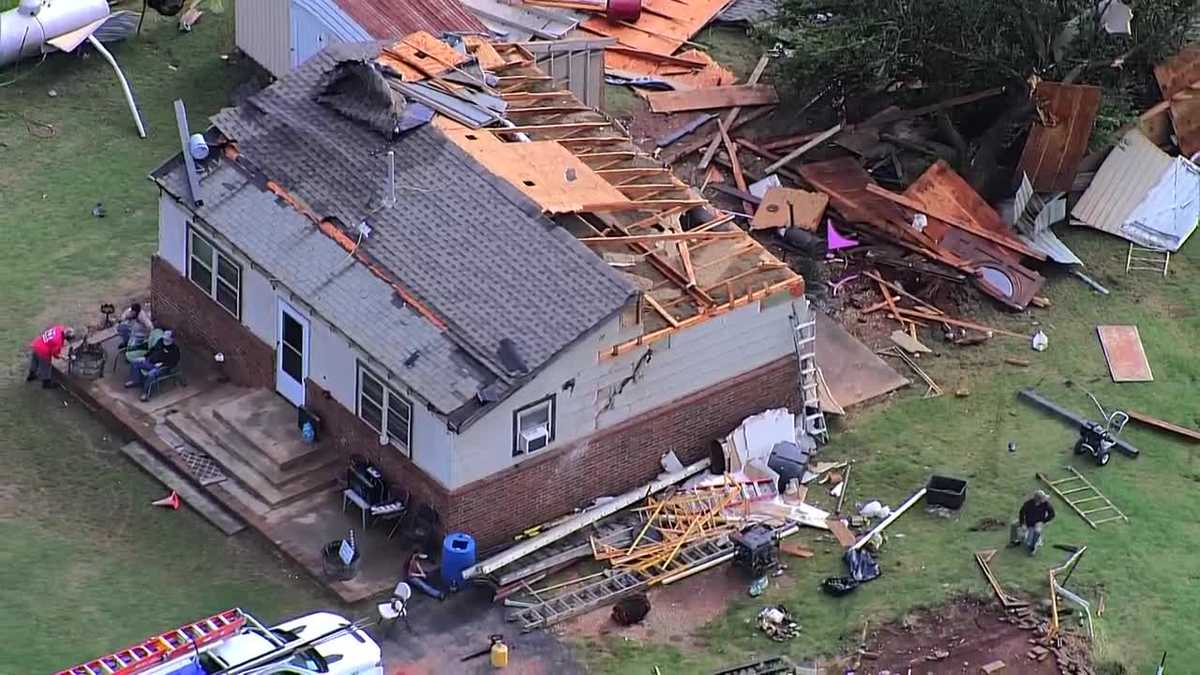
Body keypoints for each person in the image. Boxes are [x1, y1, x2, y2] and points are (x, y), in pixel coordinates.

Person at [125, 330, 180, 401]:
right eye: (164, 338)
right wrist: (145, 357)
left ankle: (145, 393)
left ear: (172, 339)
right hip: (151, 361)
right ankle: (135, 380)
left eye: (167, 339)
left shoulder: (175, 349)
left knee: (151, 374)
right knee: (135, 363)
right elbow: (153, 350)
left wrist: (162, 364)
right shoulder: (160, 341)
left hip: (162, 367)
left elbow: (174, 362)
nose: (165, 340)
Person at [27, 324, 76, 389]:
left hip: (37, 344)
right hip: (43, 351)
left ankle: (31, 375)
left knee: (35, 360)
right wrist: (64, 357)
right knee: (46, 366)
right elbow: (55, 354)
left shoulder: (59, 328)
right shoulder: (58, 341)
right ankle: (46, 383)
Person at [1010, 490, 1055, 555]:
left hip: (1037, 523)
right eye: (1043, 498)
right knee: (1014, 524)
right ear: (1038, 500)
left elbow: (1052, 514)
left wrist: (1042, 521)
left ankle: (1033, 547)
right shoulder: (1028, 503)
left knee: (1037, 531)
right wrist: (1022, 523)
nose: (1045, 499)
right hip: (1027, 521)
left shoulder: (1046, 504)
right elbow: (1021, 513)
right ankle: (1014, 541)